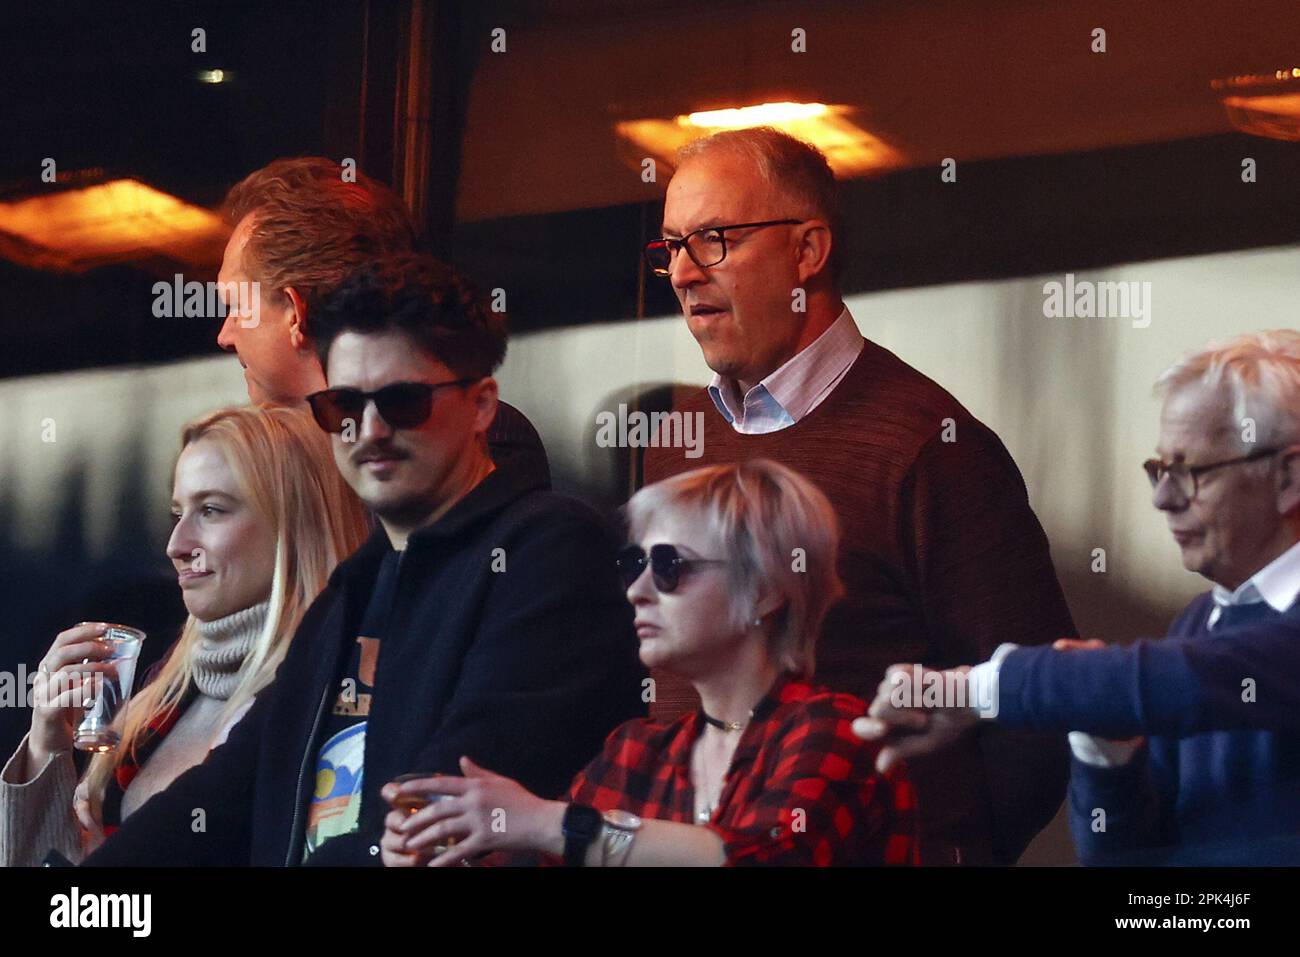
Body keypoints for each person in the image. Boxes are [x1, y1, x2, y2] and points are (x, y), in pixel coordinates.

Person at [81, 254, 645, 866]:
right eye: (343, 406)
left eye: (402, 401)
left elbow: (437, 811)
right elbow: (226, 790)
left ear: (482, 405)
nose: (369, 429)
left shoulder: (551, 550)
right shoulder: (352, 589)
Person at [639, 126, 1073, 864]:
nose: (683, 271)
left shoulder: (934, 447)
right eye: (672, 245)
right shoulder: (677, 438)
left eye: (713, 239)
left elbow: (1036, 713)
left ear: (808, 252)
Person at [858, 330, 1300, 864]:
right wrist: (1106, 746)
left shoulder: (1200, 655)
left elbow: (1179, 679)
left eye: (1191, 471)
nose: (1163, 498)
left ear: (1288, 476)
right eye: (1160, 470)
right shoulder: (1199, 622)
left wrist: (970, 688)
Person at [380, 459, 918, 867]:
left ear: (763, 592)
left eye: (668, 566)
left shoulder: (839, 733)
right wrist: (436, 849)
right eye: (634, 563)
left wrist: (549, 822)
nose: (637, 590)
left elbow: (759, 857)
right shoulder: (637, 752)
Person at [0, 405, 370, 866]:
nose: (176, 544)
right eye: (178, 512)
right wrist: (47, 748)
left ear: (296, 523)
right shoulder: (155, 702)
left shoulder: (342, 702)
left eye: (211, 510)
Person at [215, 156, 550, 486]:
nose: (225, 336)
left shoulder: (478, 433)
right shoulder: (265, 462)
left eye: (237, 305)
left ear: (294, 312)